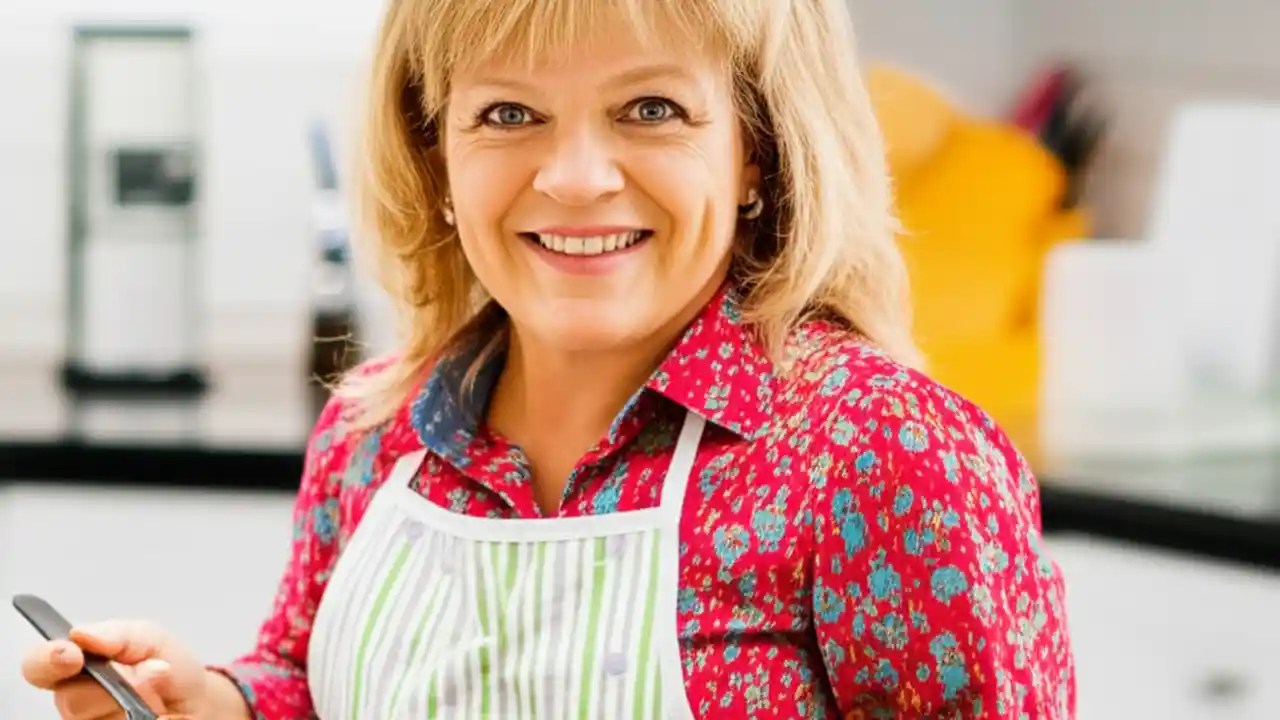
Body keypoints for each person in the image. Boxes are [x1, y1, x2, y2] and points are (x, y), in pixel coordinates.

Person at [21, 0, 1077, 717]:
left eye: (650, 109)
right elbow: (310, 676)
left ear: (754, 150)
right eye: (508, 113)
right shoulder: (372, 430)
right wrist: (220, 702)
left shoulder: (879, 453)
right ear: (437, 153)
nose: (573, 177)